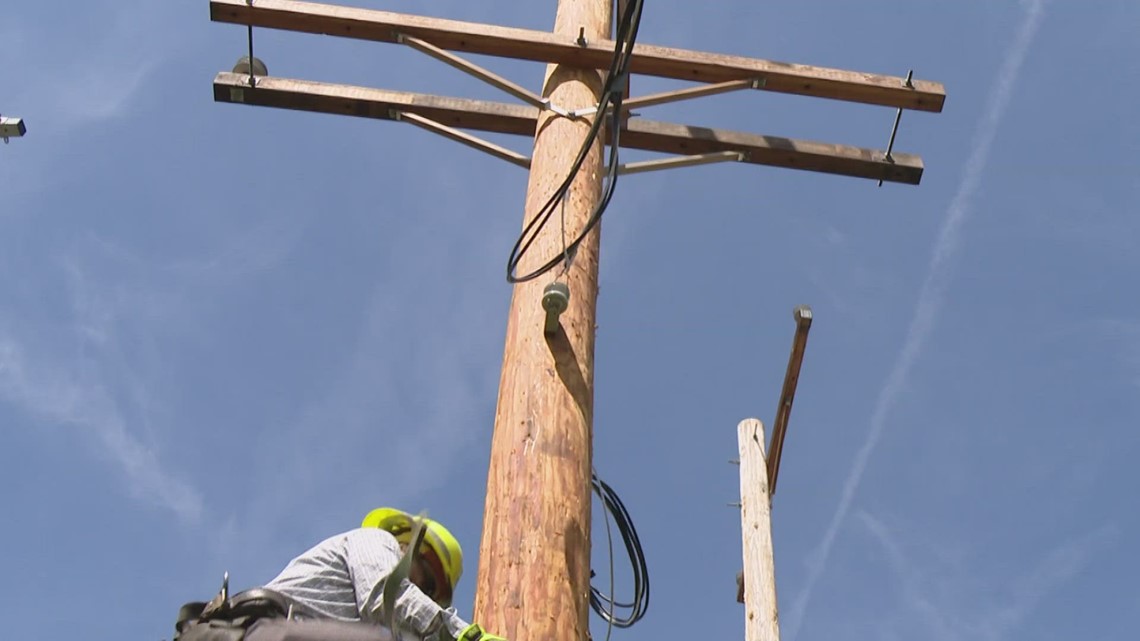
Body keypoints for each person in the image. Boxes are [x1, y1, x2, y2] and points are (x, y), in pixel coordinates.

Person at [179, 507, 508, 641]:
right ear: (410, 545)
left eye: (429, 592)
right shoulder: (375, 540)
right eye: (426, 579)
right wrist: (467, 637)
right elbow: (387, 596)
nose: (421, 591)